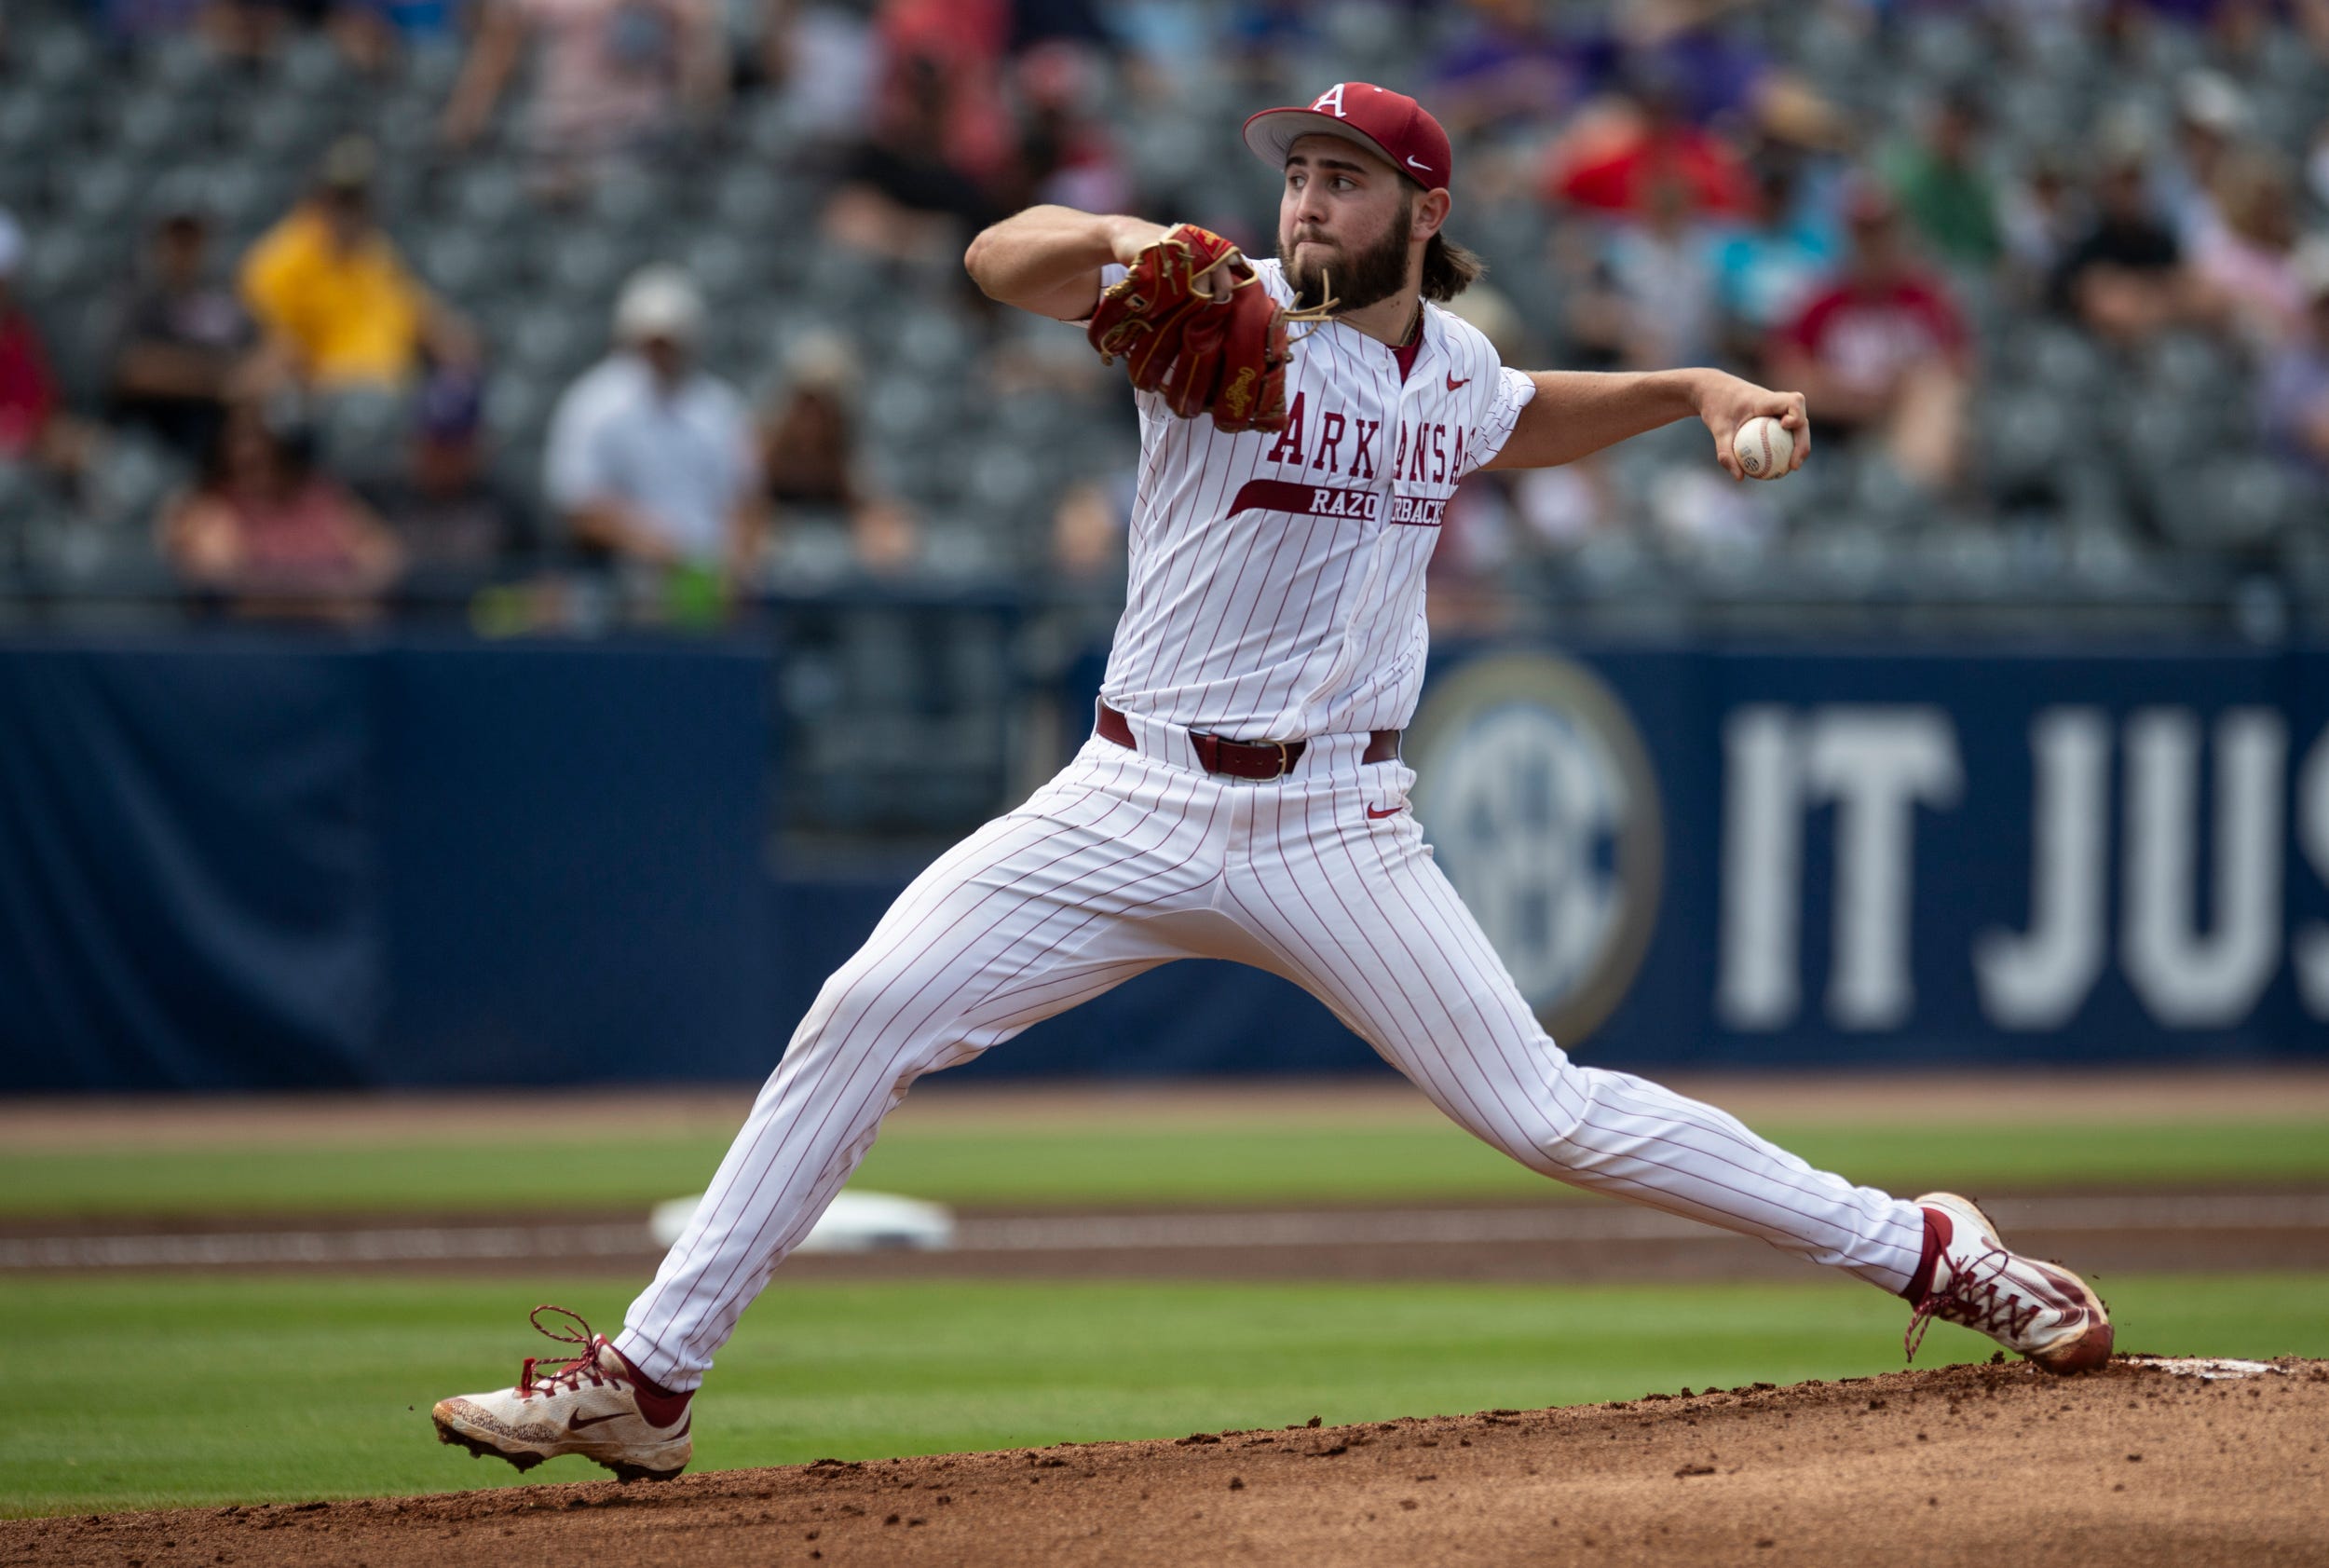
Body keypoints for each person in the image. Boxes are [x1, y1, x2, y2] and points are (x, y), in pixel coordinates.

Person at [433, 81, 2113, 1483]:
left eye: (1341, 180)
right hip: (1125, 796)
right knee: (865, 1003)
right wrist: (1111, 239)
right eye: (1295, 175)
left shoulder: (1449, 366)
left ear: (1419, 210)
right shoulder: (1216, 306)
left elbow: (1515, 417)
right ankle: (651, 1377)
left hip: (1335, 822)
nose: (1306, 203)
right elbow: (993, 258)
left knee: (1545, 1108)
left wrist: (1688, 390)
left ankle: (1930, 1248)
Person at [542, 266, 762, 601]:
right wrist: (662, 548)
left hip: (707, 584)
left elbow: (744, 503)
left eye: (671, 340)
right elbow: (578, 506)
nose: (661, 353)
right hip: (618, 582)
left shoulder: (719, 407)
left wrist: (733, 568)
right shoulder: (592, 404)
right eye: (652, 341)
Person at [1768, 179, 1970, 489]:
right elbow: (1786, 376)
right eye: (1864, 233)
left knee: (1935, 397)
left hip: (1913, 423)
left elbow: (1960, 368)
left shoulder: (1924, 300)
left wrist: (1906, 389)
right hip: (1839, 433)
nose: (1873, 245)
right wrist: (1864, 399)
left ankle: (1915, 491)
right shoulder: (1823, 302)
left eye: (1881, 232)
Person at [238, 138, 474, 396]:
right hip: (328, 398)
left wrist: (455, 345)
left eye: (358, 200)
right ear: (318, 198)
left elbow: (420, 313)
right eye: (342, 199)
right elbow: (277, 350)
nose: (349, 212)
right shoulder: (279, 261)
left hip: (394, 394)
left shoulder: (375, 250)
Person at [159, 400, 402, 620]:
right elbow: (228, 587)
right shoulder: (211, 508)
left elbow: (385, 564)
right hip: (250, 650)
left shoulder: (323, 498)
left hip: (332, 652)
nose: (249, 450)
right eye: (239, 440)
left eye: (260, 439)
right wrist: (327, 599)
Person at [107, 205, 261, 466]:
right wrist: (220, 380)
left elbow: (267, 349)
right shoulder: (137, 298)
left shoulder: (222, 296)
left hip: (221, 431)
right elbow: (131, 368)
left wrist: (252, 377)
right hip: (158, 433)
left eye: (192, 239)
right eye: (176, 239)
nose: (184, 249)